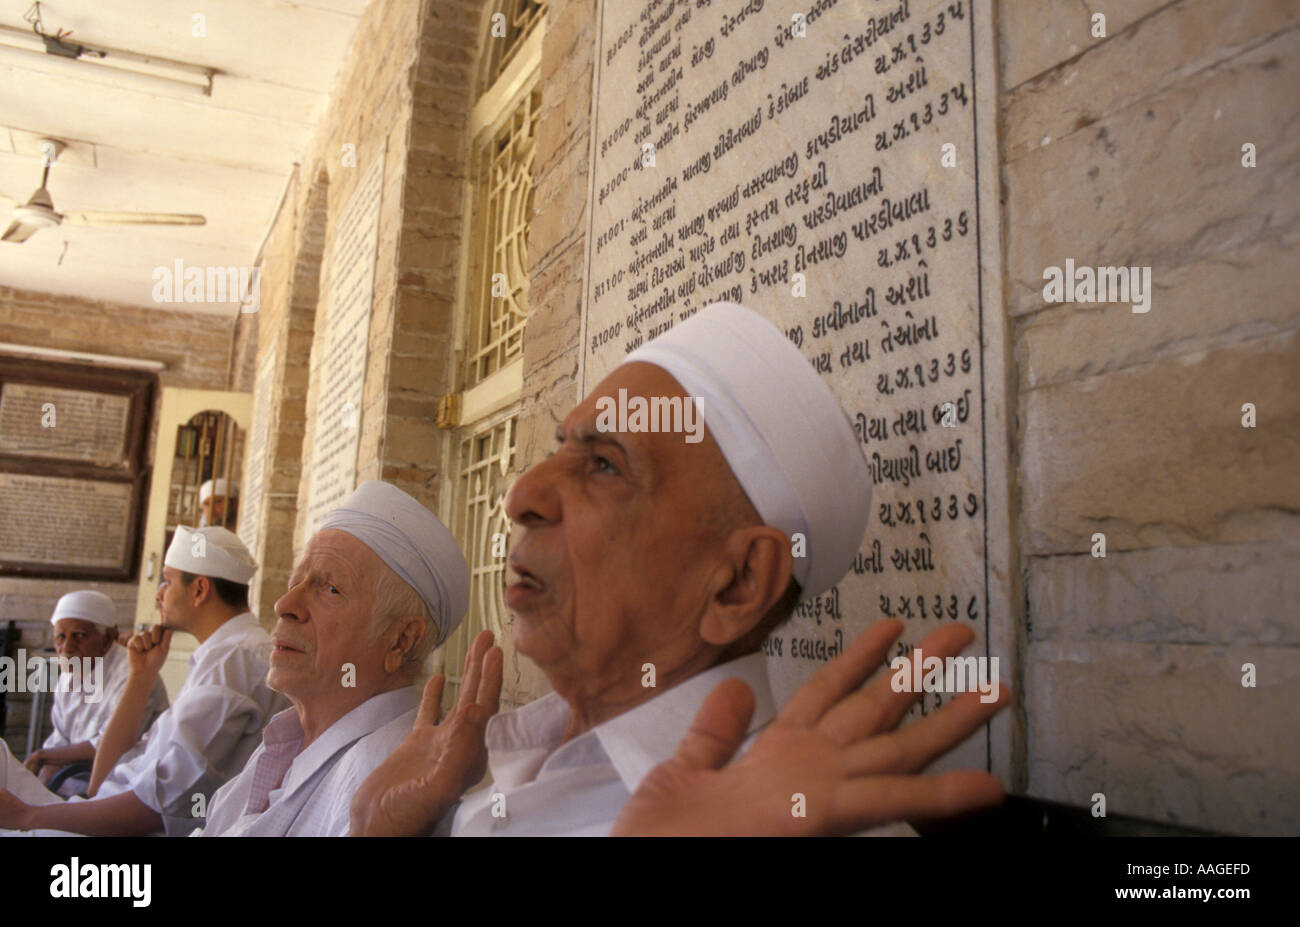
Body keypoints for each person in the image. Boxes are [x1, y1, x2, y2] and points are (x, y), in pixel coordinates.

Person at [350, 302, 1010, 836]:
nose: (522, 496)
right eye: (560, 449)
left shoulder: (800, 826)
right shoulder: (488, 765)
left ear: (739, 580)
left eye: (605, 464)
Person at [198, 481, 470, 836]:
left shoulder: (381, 778)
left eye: (330, 589)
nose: (285, 606)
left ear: (400, 641)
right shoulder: (292, 739)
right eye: (297, 582)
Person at [0, 526, 285, 836]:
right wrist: (141, 677)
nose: (159, 593)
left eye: (168, 580)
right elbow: (102, 781)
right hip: (96, 811)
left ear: (200, 590)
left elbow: (155, 808)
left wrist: (29, 817)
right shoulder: (220, 657)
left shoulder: (233, 663)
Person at [23, 591, 169, 796]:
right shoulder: (70, 673)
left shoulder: (134, 673)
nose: (66, 648)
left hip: (126, 787)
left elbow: (108, 746)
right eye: (60, 637)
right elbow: (61, 738)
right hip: (74, 781)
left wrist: (45, 757)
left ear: (109, 638)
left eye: (79, 636)